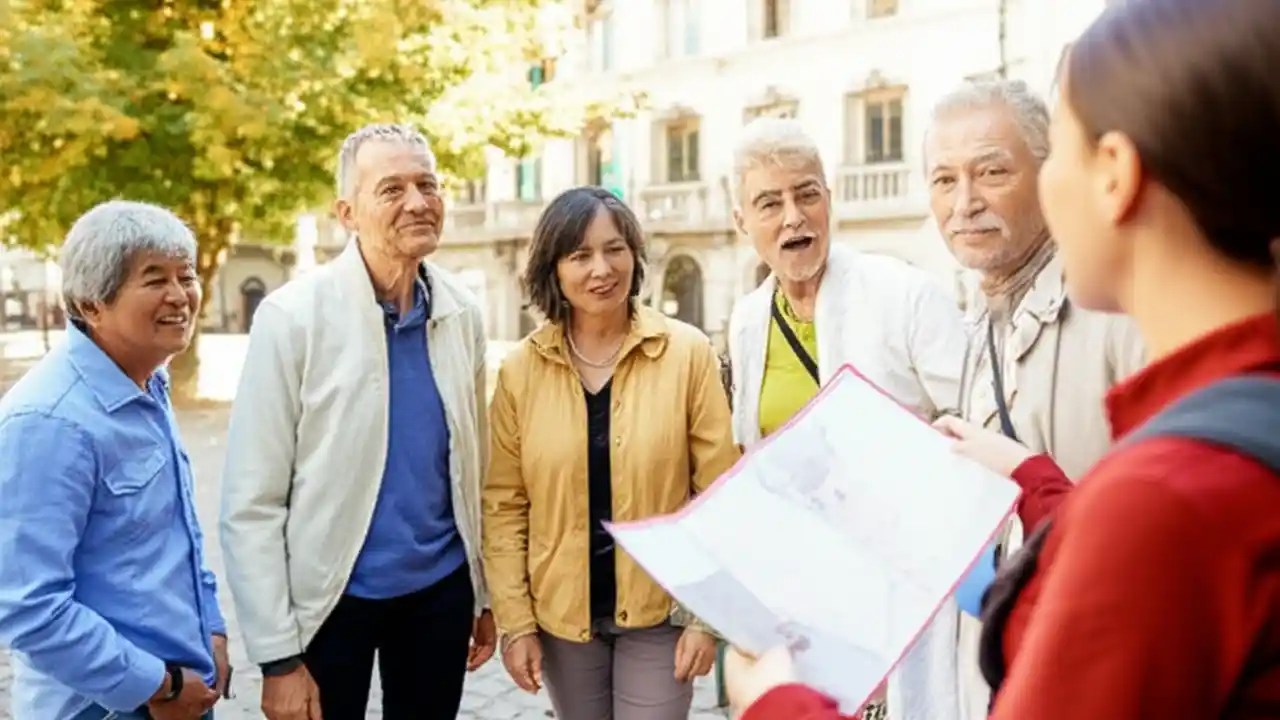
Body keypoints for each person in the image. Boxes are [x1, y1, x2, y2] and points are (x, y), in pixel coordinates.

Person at [728, 0, 1280, 717]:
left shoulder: (1161, 492)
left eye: (1049, 157)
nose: (966, 204)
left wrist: (777, 700)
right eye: (943, 179)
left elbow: (1129, 556)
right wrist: (1032, 478)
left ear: (1112, 173)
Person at [219, 124, 495, 720]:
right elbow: (251, 503)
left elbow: (477, 466)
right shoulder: (291, 318)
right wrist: (276, 659)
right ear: (347, 212)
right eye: (391, 189)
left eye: (428, 184)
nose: (418, 202)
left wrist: (482, 593)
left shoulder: (462, 312)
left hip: (437, 594)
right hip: (328, 600)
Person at [901, 78, 1150, 720]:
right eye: (943, 180)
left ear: (1051, 175)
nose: (965, 203)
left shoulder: (1118, 309)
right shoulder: (979, 318)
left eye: (991, 172)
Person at [726, 116, 967, 720]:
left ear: (830, 200)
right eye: (769, 203)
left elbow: (978, 428)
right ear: (742, 223)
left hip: (907, 589)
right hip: (804, 592)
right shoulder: (749, 320)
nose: (793, 217)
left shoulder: (905, 294)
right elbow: (753, 451)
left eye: (807, 194)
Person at [482, 186, 740, 720]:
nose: (601, 268)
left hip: (661, 613)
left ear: (635, 255)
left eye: (614, 248)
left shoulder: (686, 354)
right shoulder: (520, 372)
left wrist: (706, 618)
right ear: (553, 269)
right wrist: (516, 623)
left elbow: (721, 493)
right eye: (580, 255)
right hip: (562, 622)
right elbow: (505, 506)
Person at [0, 200, 229, 720]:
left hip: (181, 688)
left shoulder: (147, 381)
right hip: (103, 707)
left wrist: (210, 627)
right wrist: (159, 686)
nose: (180, 296)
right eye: (154, 280)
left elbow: (175, 537)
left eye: (185, 276)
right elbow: (26, 606)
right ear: (91, 303)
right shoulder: (50, 420)